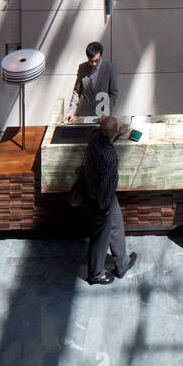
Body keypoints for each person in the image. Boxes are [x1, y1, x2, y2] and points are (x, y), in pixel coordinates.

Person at [81, 116, 136, 285]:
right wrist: (103, 209)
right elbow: (105, 187)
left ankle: (121, 263)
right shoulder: (109, 159)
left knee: (117, 224)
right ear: (110, 135)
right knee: (100, 237)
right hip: (101, 200)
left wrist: (118, 133)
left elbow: (106, 136)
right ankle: (95, 274)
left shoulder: (95, 136)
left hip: (100, 194)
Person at [67, 41, 118, 120]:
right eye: (91, 61)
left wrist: (107, 112)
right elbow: (77, 91)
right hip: (83, 115)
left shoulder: (109, 68)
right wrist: (71, 111)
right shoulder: (82, 68)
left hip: (102, 115)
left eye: (96, 60)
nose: (94, 64)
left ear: (101, 55)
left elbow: (113, 93)